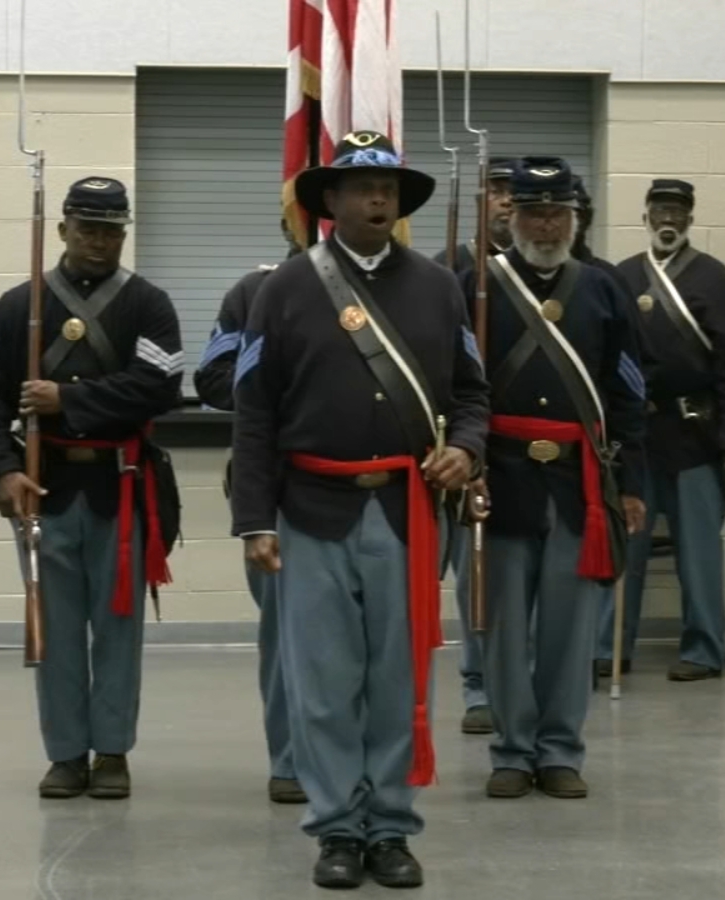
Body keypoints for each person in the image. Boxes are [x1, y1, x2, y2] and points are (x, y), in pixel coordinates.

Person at [232, 130, 489, 889]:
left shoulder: (439, 288)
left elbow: (472, 395)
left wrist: (466, 451)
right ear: (331, 201)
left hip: (407, 514)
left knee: (397, 680)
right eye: (363, 189)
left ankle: (392, 829)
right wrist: (255, 519)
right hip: (311, 512)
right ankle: (337, 829)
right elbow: (253, 414)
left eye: (390, 192)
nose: (379, 200)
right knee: (322, 682)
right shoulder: (283, 290)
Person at [0, 177, 183, 798]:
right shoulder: (18, 307)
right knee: (56, 629)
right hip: (45, 485)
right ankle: (65, 753)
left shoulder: (148, 305)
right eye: (87, 228)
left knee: (117, 627)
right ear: (62, 230)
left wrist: (70, 397)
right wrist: (0, 471)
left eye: (111, 230)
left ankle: (112, 752)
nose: (98, 241)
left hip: (122, 485)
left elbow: (159, 386)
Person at [465, 157, 646, 801]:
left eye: (558, 212)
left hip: (578, 487)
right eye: (534, 211)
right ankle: (512, 751)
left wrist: (631, 482)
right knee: (504, 626)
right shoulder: (477, 285)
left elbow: (628, 394)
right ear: (510, 215)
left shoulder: (600, 289)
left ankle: (561, 749)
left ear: (575, 217)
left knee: (571, 631)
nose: (546, 224)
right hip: (502, 480)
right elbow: (458, 388)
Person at [603, 179, 725, 682]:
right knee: (628, 548)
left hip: (696, 436)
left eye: (678, 212)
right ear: (644, 216)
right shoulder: (622, 276)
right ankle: (612, 646)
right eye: (660, 211)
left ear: (690, 219)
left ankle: (705, 648)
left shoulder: (715, 278)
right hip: (638, 439)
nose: (668, 220)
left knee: (699, 554)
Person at [193, 220, 306, 805]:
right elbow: (211, 378)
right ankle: (291, 761)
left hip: (368, 487)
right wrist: (297, 386)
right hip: (279, 484)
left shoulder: (397, 286)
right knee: (285, 631)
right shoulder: (253, 292)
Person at [434, 155, 516, 736]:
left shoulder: (565, 273)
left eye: (517, 193)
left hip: (534, 451)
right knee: (476, 577)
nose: (508, 202)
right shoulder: (447, 272)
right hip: (469, 448)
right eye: (498, 191)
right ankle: (479, 686)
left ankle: (525, 684)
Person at [434, 155, 517, 274]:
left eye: (513, 193)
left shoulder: (540, 265)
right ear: (479, 203)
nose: (506, 201)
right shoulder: (447, 262)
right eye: (496, 192)